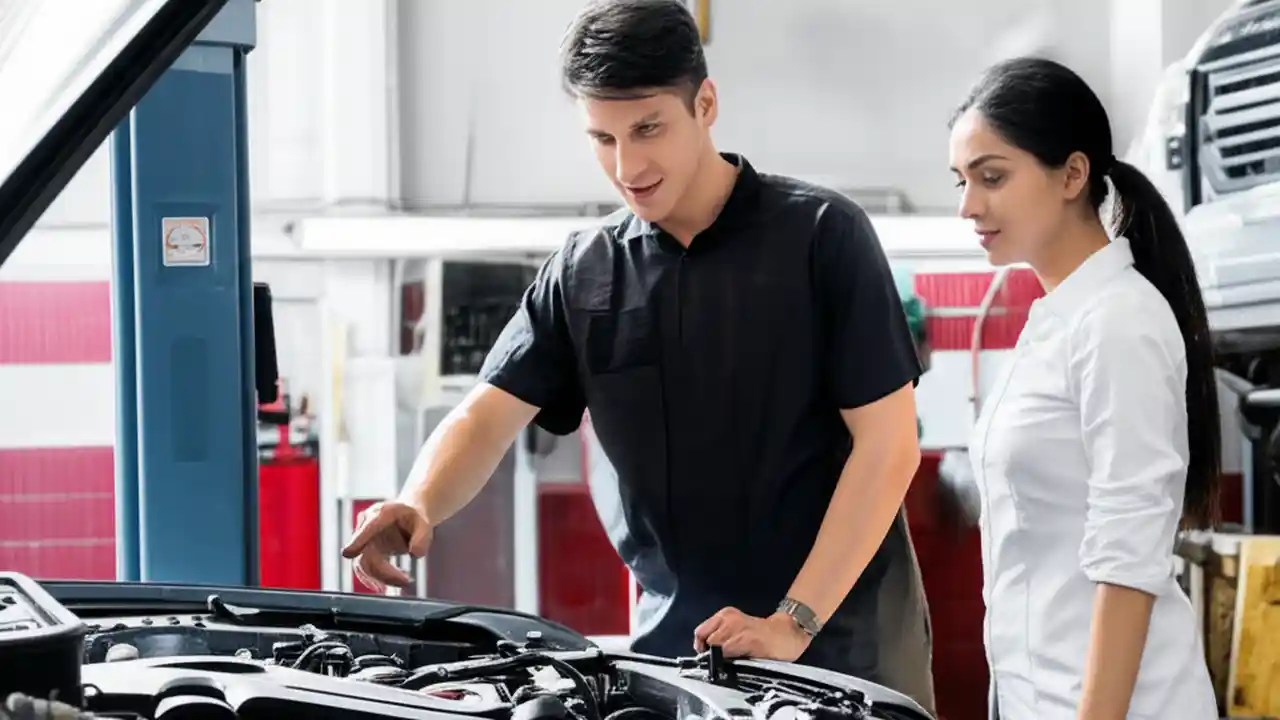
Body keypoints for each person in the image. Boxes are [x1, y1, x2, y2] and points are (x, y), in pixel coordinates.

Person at [343, 0, 934, 711]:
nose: (628, 165)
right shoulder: (586, 270)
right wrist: (417, 500)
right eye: (603, 138)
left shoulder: (821, 237)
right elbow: (487, 414)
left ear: (705, 103)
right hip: (680, 655)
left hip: (842, 647)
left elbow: (888, 447)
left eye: (648, 128)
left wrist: (792, 620)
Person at [948, 57, 1220, 719]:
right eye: (961, 181)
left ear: (1072, 174)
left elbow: (1129, 559)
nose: (967, 206)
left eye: (992, 177)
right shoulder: (1056, 321)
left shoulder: (1119, 322)